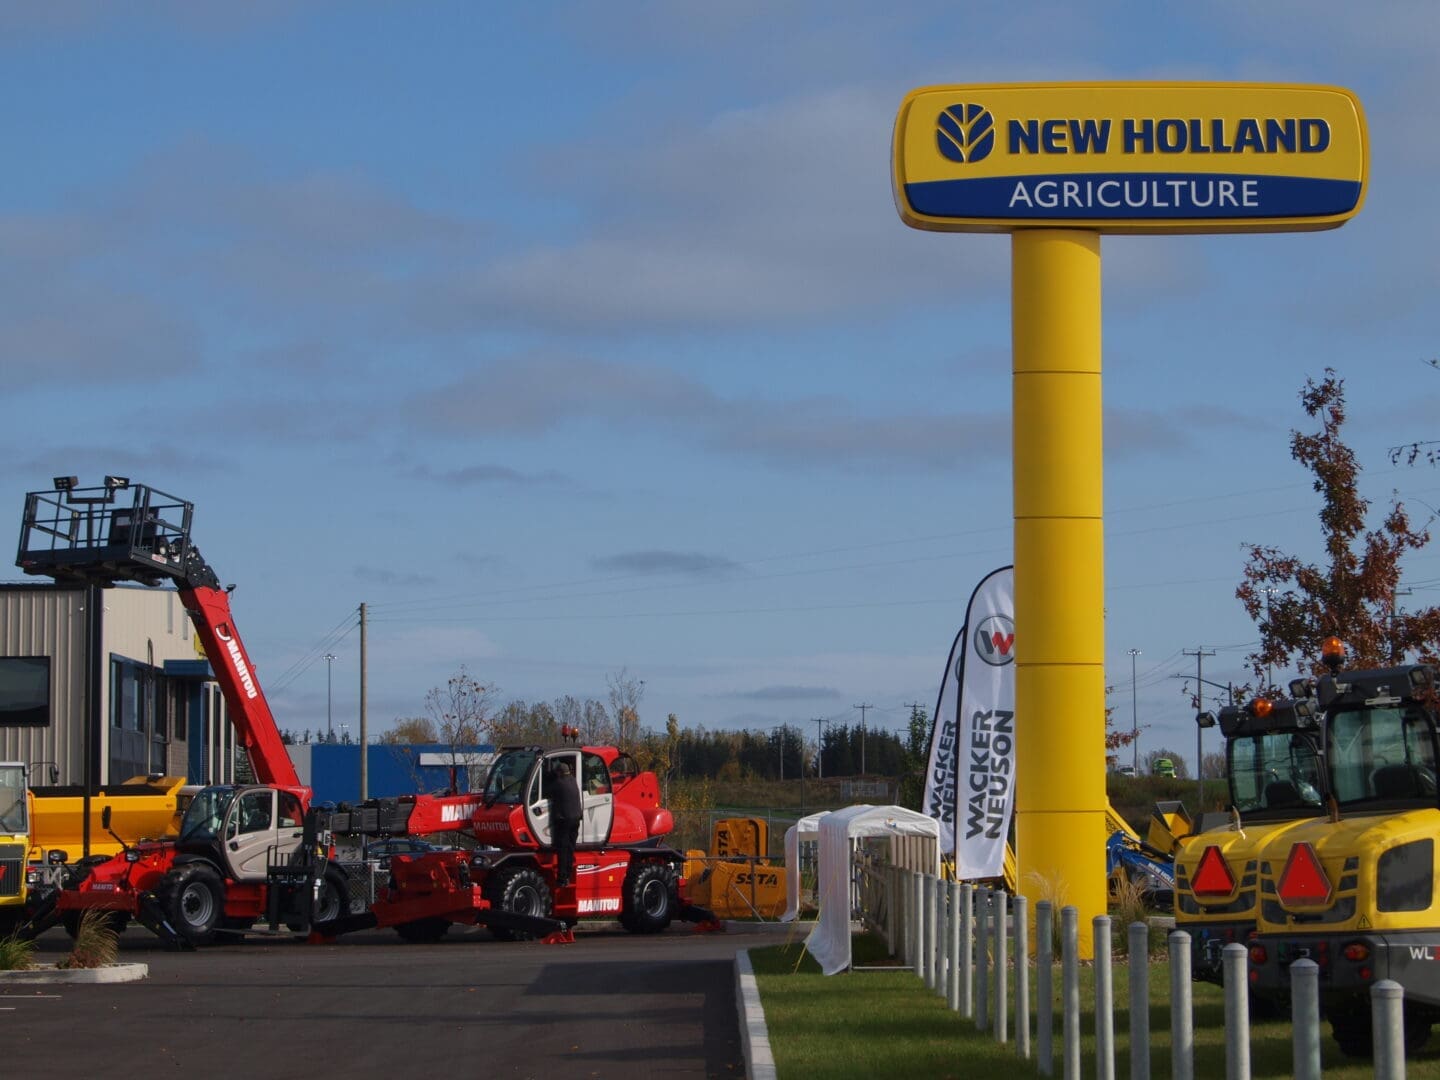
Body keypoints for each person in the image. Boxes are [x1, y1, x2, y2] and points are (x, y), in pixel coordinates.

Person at [549, 761, 583, 887]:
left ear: (559, 772)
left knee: (562, 849)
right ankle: (568, 874)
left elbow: (548, 791)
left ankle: (562, 878)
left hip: (565, 820)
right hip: (576, 819)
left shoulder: (558, 783)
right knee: (570, 848)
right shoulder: (573, 780)